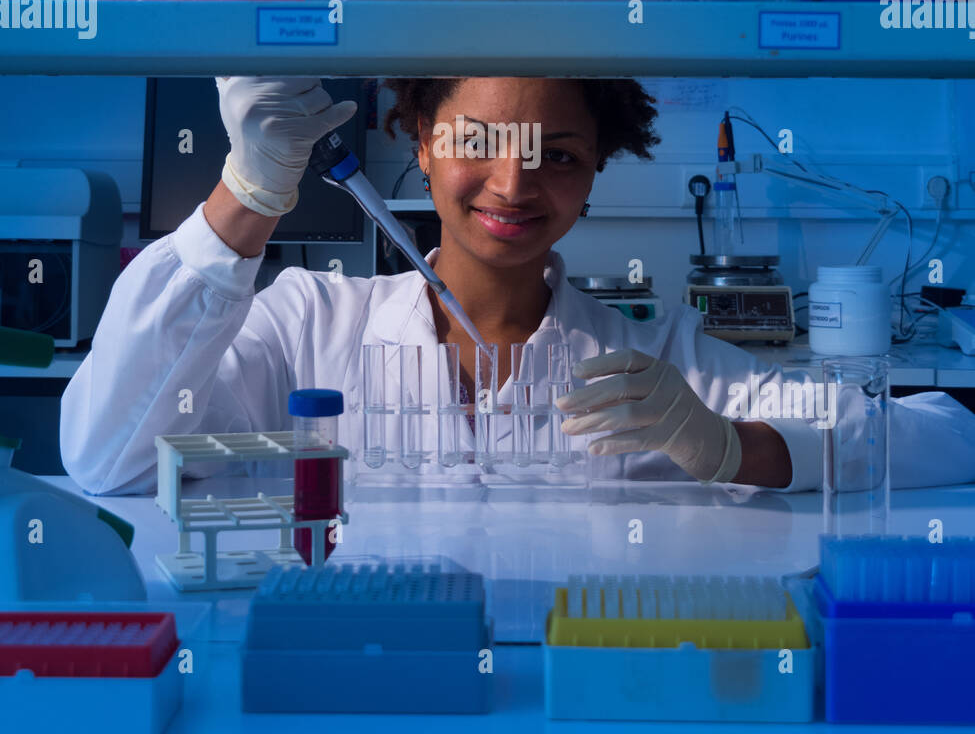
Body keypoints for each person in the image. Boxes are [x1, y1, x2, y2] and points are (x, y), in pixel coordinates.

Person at [61, 75, 975, 495]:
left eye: (557, 156)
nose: (511, 185)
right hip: (347, 691)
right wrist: (247, 192)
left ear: (593, 175)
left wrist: (732, 447)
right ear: (420, 143)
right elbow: (109, 458)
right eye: (476, 142)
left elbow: (941, 437)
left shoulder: (653, 362)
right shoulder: (308, 323)